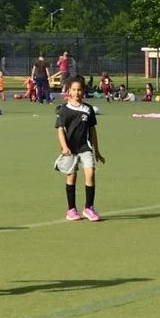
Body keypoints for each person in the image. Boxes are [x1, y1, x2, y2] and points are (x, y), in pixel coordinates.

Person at [55, 76, 104, 220]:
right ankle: (71, 210)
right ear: (69, 91)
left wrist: (97, 151)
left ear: (84, 91)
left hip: (85, 147)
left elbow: (92, 131)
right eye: (74, 90)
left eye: (79, 90)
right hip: (70, 149)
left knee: (90, 174)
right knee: (72, 177)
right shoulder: (64, 109)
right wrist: (64, 147)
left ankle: (89, 208)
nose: (77, 93)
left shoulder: (88, 109)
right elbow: (60, 129)